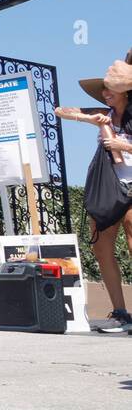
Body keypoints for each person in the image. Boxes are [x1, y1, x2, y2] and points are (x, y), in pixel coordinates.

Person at [58, 77, 132, 332]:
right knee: (101, 249)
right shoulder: (105, 114)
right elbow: (61, 111)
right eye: (103, 90)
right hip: (109, 188)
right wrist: (90, 119)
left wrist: (121, 144)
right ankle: (121, 312)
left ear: (124, 91)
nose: (104, 93)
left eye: (110, 88)